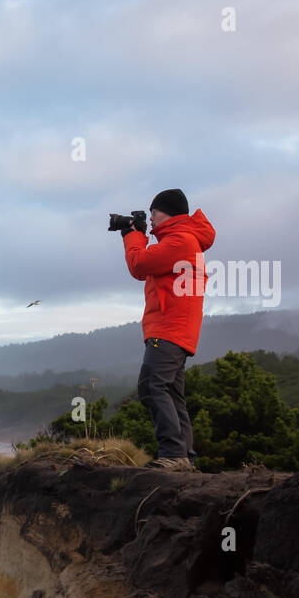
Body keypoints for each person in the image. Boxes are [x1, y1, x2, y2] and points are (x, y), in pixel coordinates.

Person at [119, 189, 216, 471]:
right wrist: (136, 234)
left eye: (154, 213)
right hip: (175, 329)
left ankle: (173, 453)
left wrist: (131, 235)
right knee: (172, 394)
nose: (150, 219)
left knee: (151, 386)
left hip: (169, 329)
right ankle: (184, 457)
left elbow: (139, 265)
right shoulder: (182, 240)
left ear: (169, 213)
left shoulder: (180, 241)